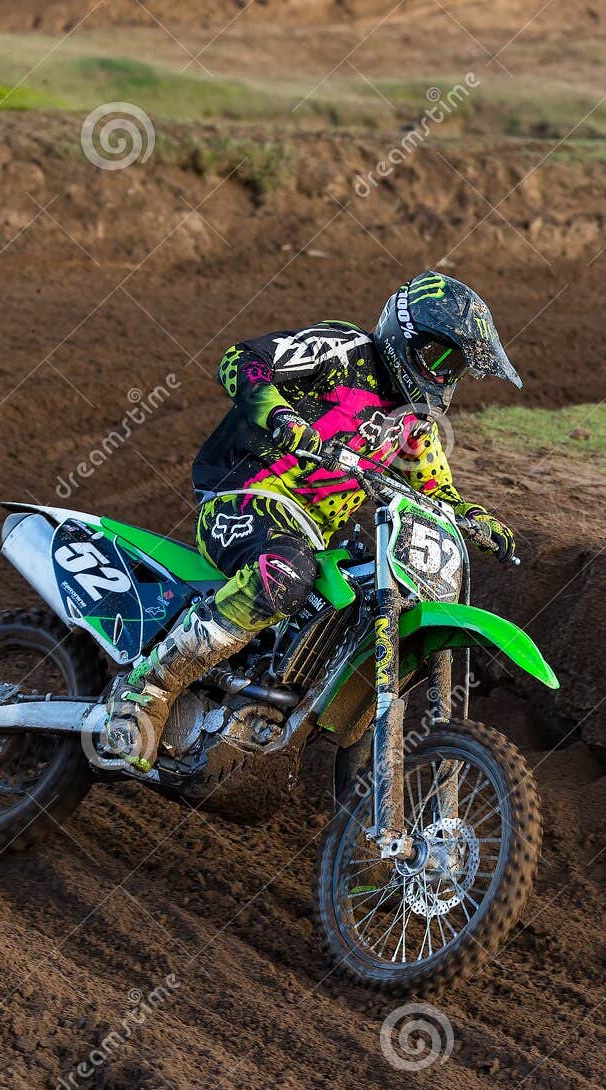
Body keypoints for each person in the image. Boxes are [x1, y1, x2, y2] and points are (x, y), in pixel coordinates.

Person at [102, 270, 523, 771]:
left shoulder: (414, 421)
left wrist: (475, 517)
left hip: (311, 535)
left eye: (456, 368)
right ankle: (147, 687)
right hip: (243, 496)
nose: (442, 376)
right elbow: (243, 360)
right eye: (439, 357)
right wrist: (283, 419)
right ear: (405, 333)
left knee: (356, 596)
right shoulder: (343, 350)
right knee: (285, 570)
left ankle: (268, 707)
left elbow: (435, 489)